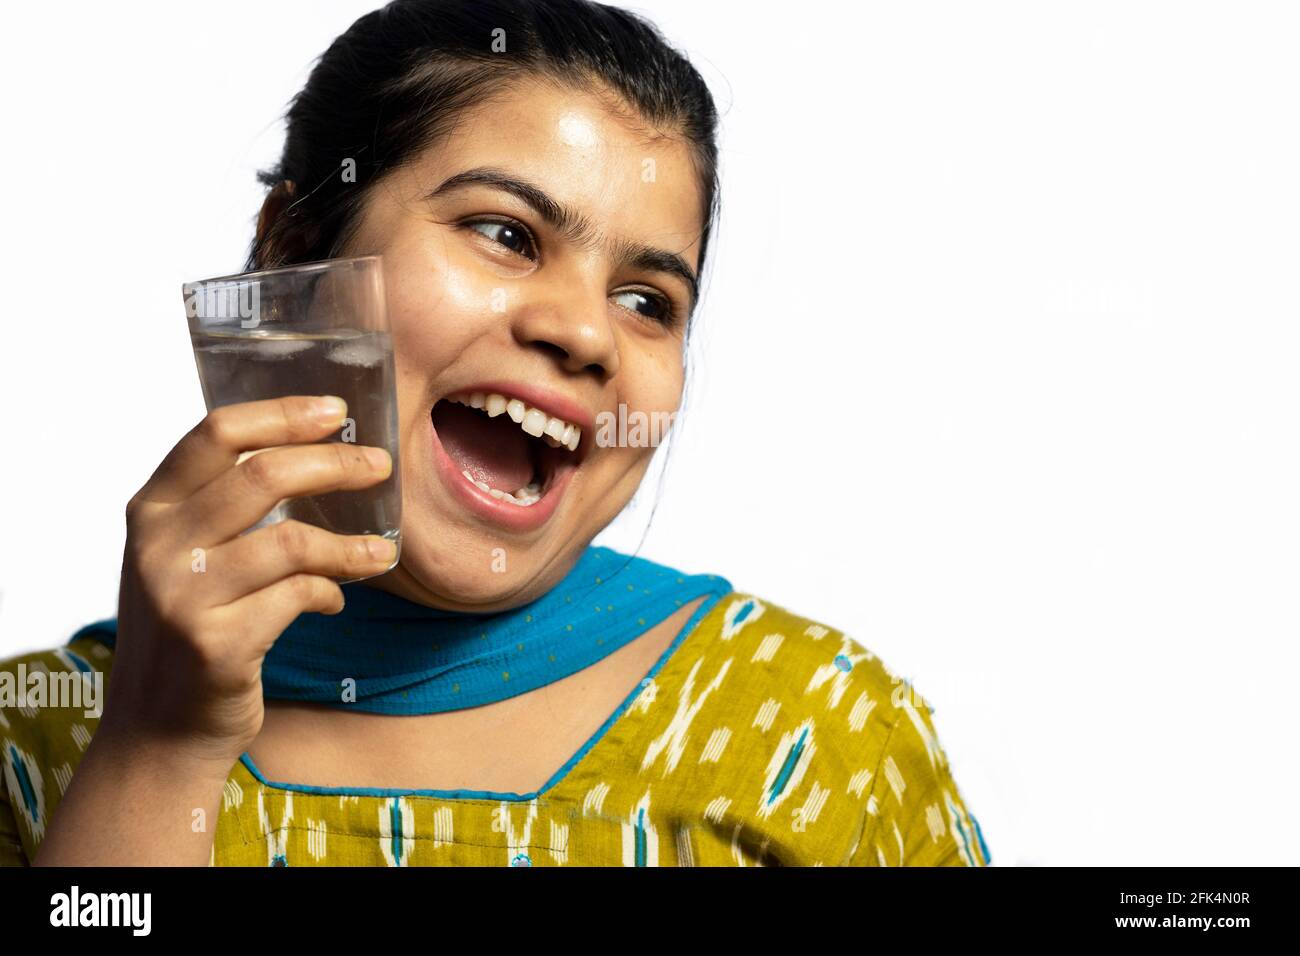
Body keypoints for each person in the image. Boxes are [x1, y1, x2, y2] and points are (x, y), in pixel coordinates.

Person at [0, 0, 990, 867]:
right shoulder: (32, 741)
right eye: (507, 234)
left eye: (648, 298)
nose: (586, 330)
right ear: (294, 248)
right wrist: (154, 748)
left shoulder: (818, 742)